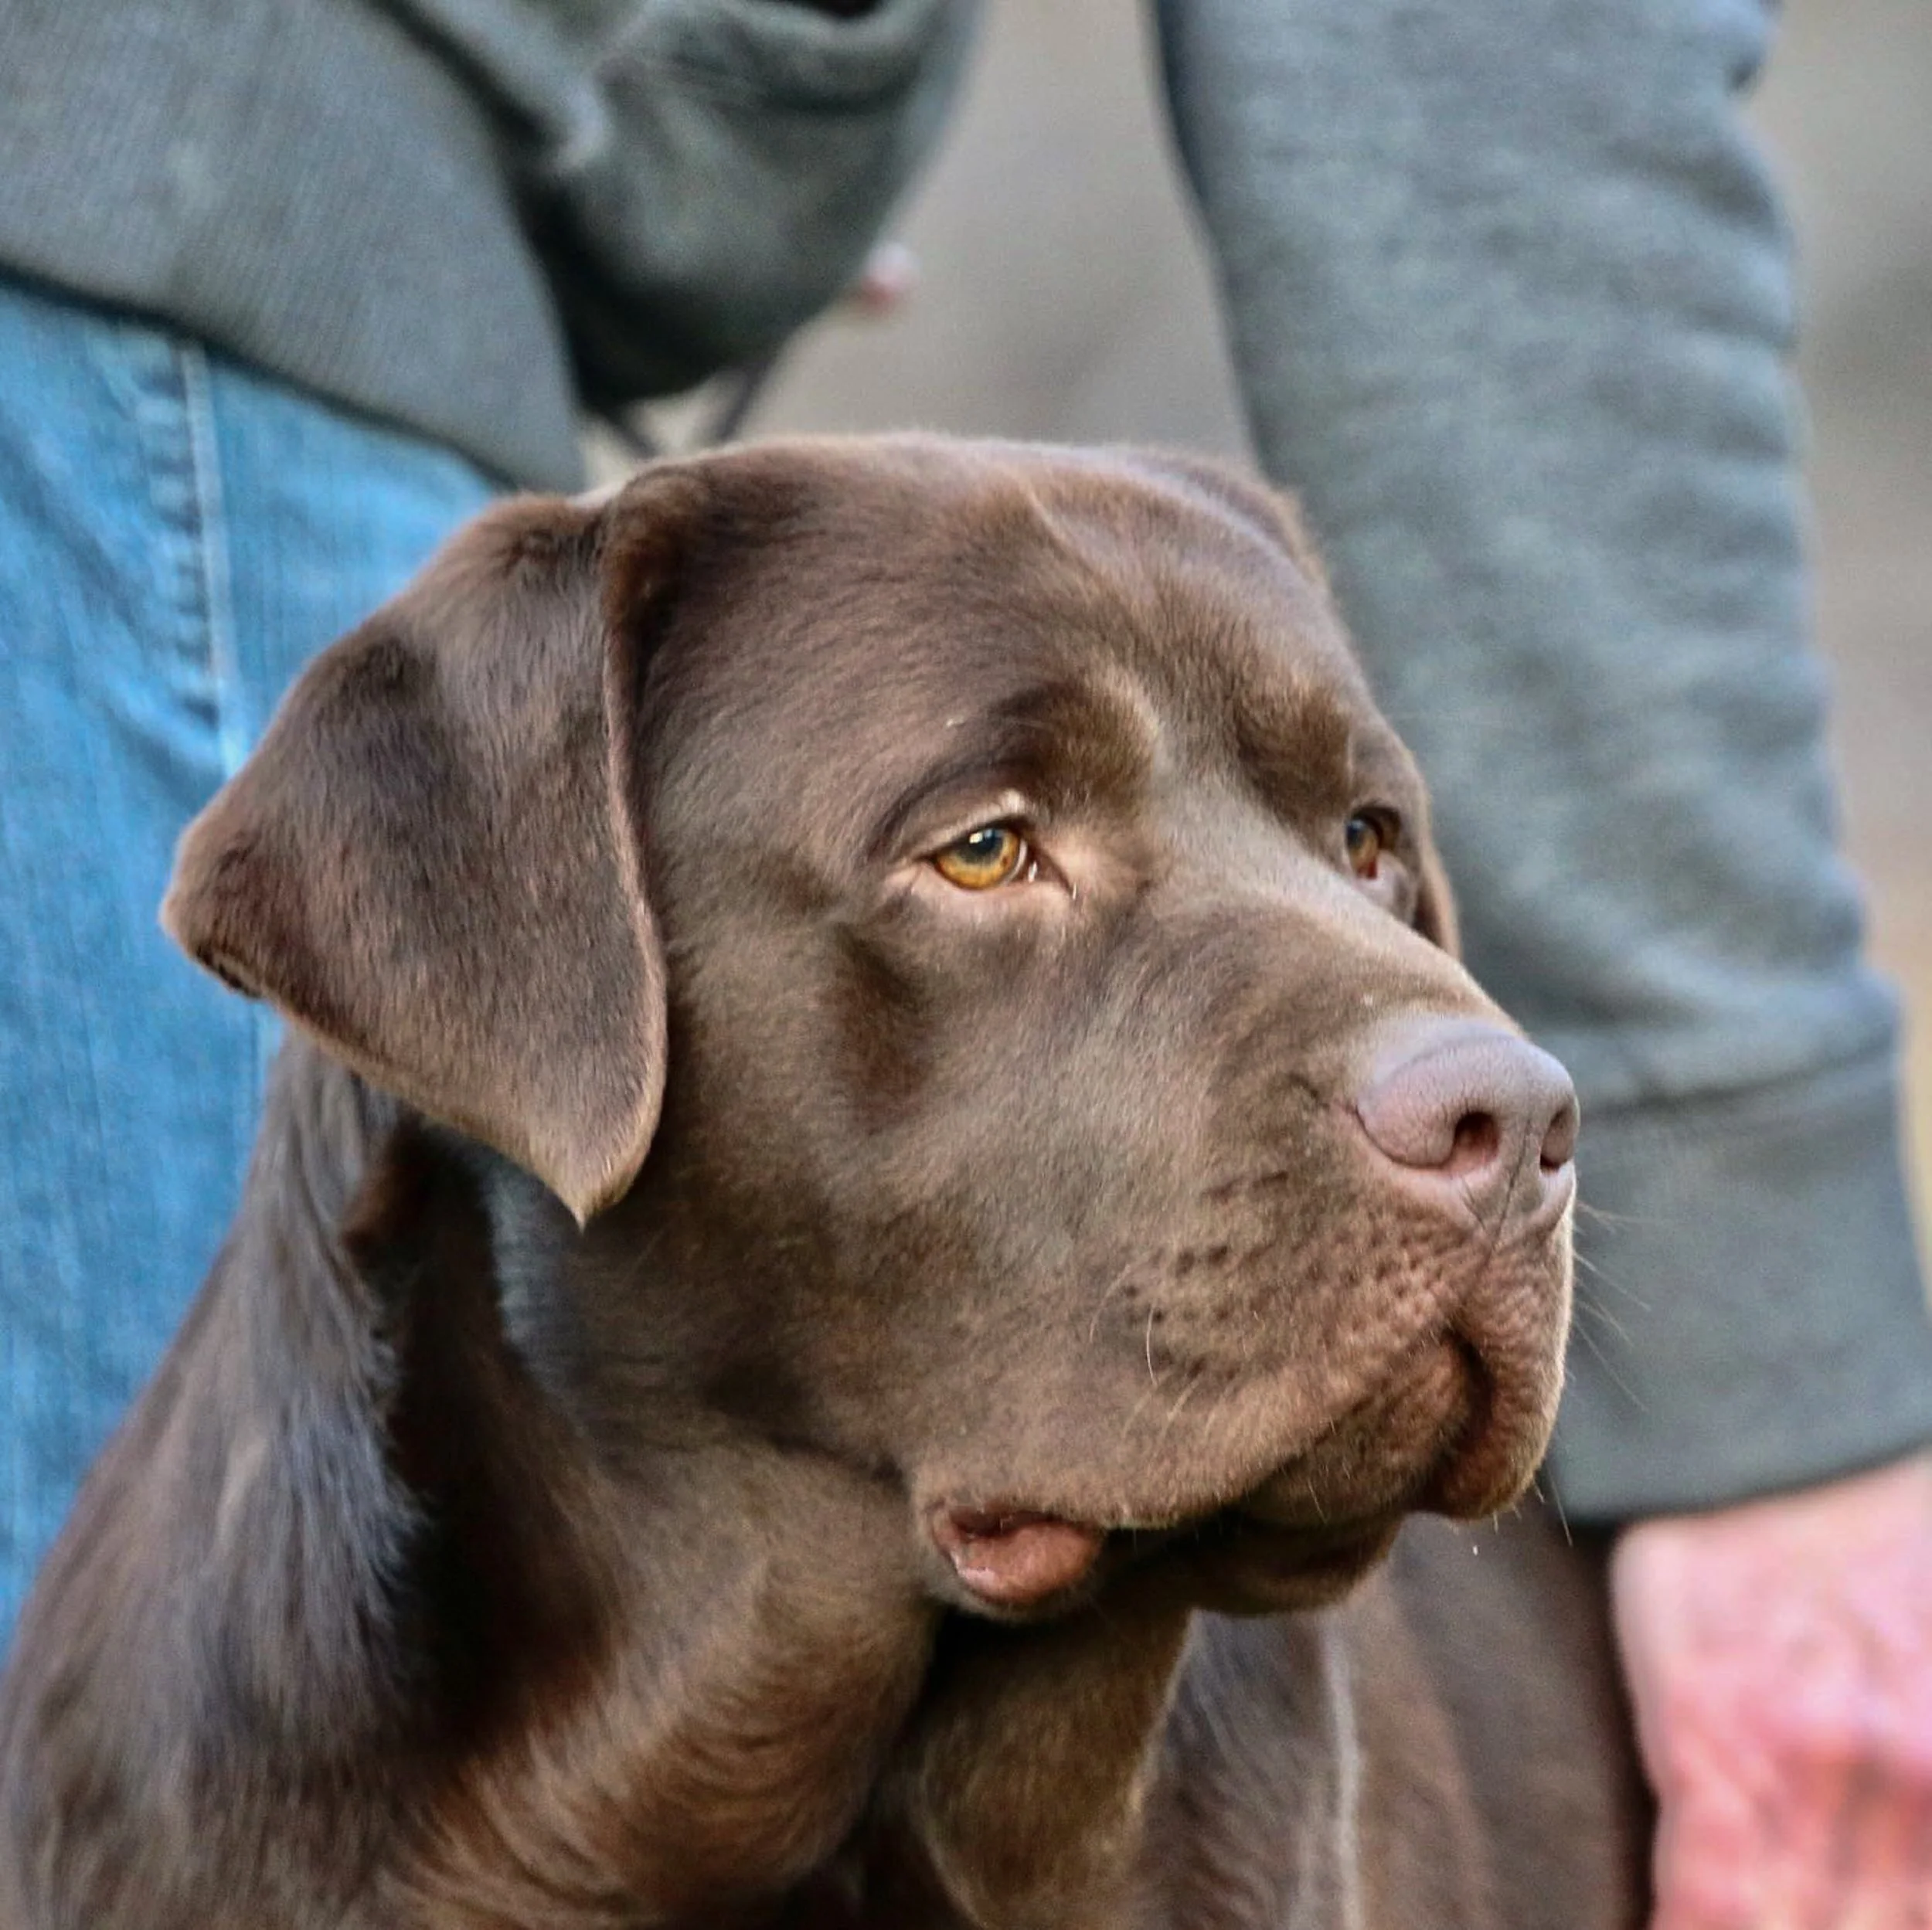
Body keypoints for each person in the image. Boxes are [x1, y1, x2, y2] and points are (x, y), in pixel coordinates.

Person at [0, 0, 1927, 1922]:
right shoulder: (516, 742)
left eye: (1360, 855)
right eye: (990, 847)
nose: (1462, 1066)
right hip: (166, 266)